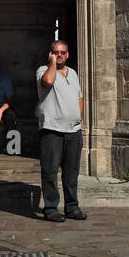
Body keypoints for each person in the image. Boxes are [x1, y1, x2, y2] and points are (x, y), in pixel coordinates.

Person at [36, 39, 86, 222]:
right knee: (50, 172)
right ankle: (50, 208)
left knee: (71, 173)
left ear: (68, 54)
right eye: (56, 52)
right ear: (50, 54)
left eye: (63, 52)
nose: (59, 55)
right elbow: (48, 82)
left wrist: (79, 119)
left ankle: (72, 207)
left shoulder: (72, 73)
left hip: (73, 132)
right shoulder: (43, 71)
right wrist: (51, 64)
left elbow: (79, 98)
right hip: (52, 131)